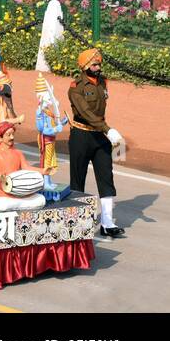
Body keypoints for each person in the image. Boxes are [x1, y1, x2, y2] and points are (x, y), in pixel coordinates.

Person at [67, 48, 124, 238]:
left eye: (99, 64)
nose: (98, 67)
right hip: (81, 136)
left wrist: (105, 131)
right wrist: (108, 129)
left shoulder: (103, 82)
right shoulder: (76, 87)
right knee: (78, 180)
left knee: (106, 178)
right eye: (94, 64)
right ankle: (75, 223)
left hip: (100, 137)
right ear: (84, 67)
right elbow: (86, 113)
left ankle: (107, 223)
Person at [0, 122, 46, 211]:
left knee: (41, 199)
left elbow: (26, 168)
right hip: (2, 192)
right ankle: (20, 204)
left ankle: (19, 203)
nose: (12, 137)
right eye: (8, 135)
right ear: (0, 138)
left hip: (18, 191)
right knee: (2, 204)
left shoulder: (18, 153)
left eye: (13, 134)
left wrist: (43, 171)